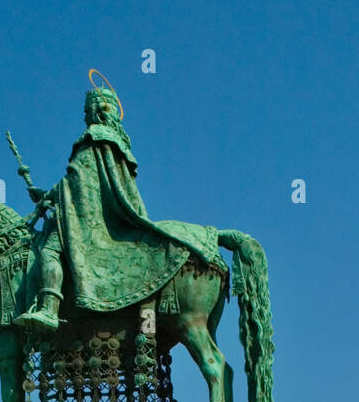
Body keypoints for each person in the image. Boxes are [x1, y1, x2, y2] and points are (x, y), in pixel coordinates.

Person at [14, 76, 219, 331]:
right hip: (114, 217)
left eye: (87, 110)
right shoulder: (119, 143)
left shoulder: (93, 138)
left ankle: (48, 309)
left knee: (49, 251)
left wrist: (49, 195)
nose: (85, 115)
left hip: (88, 220)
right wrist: (48, 193)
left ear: (97, 112)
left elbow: (77, 180)